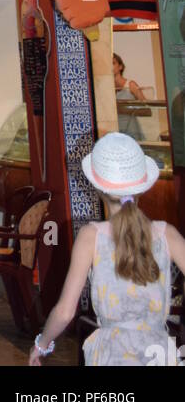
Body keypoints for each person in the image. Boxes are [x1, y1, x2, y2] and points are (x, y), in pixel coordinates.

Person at [29, 132, 185, 366]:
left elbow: (64, 312)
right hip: (160, 354)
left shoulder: (91, 237)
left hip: (112, 356)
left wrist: (41, 345)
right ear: (142, 187)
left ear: (98, 188)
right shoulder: (167, 234)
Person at [113, 53, 148, 141]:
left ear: (120, 67)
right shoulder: (106, 89)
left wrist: (126, 109)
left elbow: (148, 110)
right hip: (115, 133)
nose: (110, 67)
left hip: (132, 132)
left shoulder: (130, 85)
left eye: (113, 63)